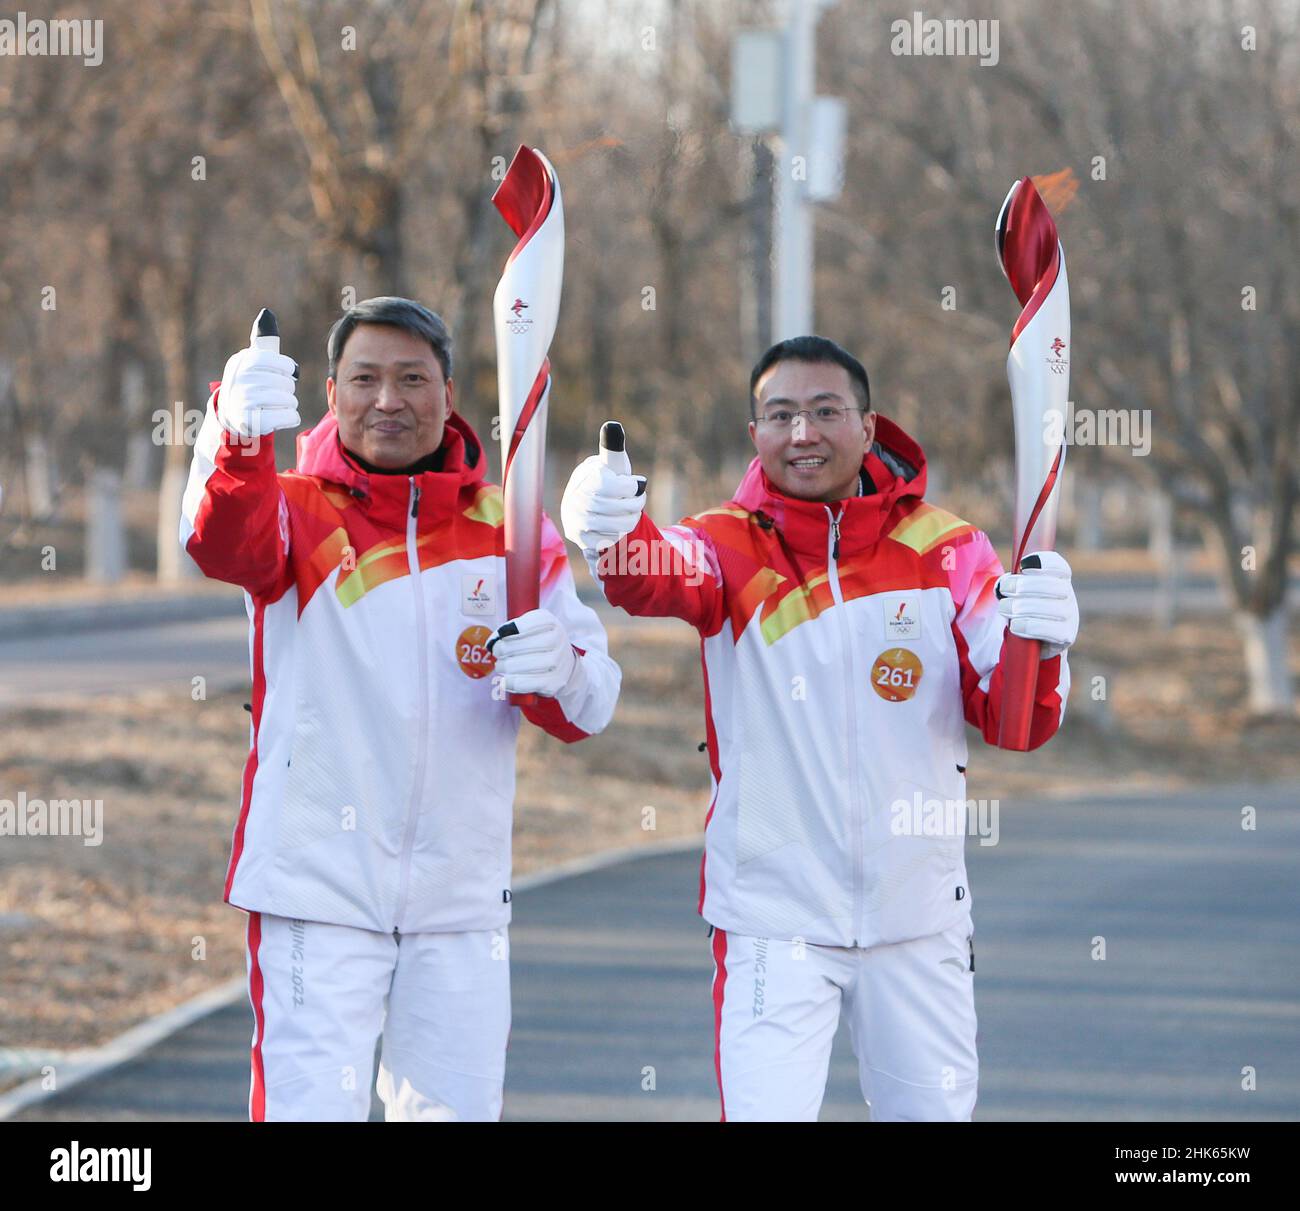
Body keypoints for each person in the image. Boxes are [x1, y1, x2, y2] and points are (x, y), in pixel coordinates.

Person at [560, 335, 1077, 1122]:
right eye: (782, 415)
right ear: (755, 434)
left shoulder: (948, 551)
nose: (803, 433)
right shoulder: (724, 546)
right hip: (774, 923)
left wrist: (1043, 643)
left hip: (919, 922)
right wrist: (603, 523)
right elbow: (644, 574)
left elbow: (1015, 723)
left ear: (870, 428)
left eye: (825, 412)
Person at [180, 296, 620, 1121]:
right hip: (319, 893)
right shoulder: (293, 506)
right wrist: (234, 438)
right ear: (333, 394)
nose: (389, 400)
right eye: (366, 379)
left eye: (412, 379)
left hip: (459, 904)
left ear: (448, 394)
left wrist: (560, 669)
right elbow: (218, 541)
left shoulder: (509, 529)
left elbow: (590, 703)